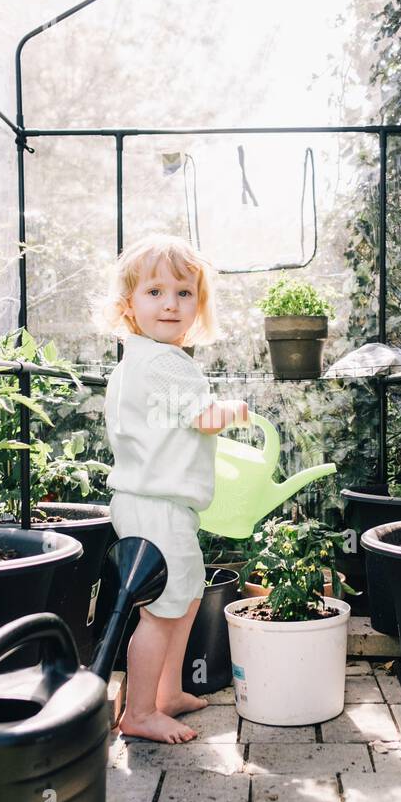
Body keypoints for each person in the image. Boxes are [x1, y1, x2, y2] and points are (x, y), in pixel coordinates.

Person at [96, 233, 249, 744]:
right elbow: (203, 418)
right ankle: (139, 712)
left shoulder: (137, 361)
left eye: (184, 293)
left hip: (152, 503)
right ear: (129, 305)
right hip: (156, 507)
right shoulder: (163, 362)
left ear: (198, 304)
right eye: (155, 292)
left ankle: (167, 693)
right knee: (162, 612)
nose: (170, 304)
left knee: (181, 601)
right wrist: (234, 410)